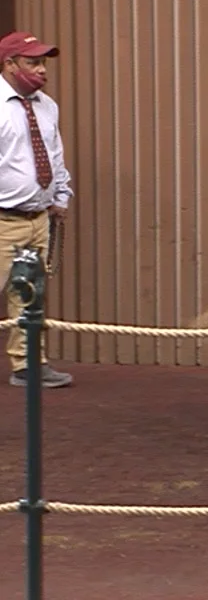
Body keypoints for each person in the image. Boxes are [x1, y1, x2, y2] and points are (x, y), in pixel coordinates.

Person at [0, 30, 75, 389]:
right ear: (10, 64)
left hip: (38, 218)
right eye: (33, 62)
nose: (42, 69)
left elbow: (54, 153)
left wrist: (61, 194)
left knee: (28, 294)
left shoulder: (46, 106)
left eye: (42, 62)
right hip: (3, 218)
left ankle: (29, 364)